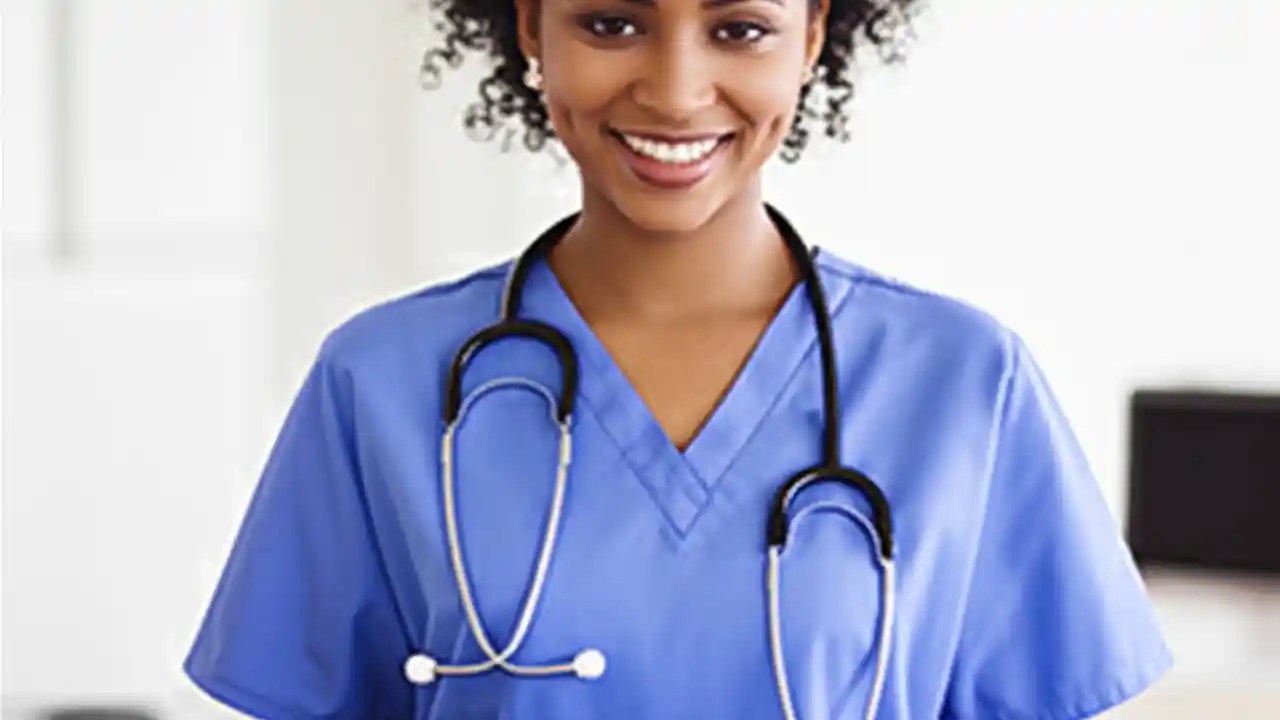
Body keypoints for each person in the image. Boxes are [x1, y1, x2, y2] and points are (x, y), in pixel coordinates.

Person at [183, 0, 1173, 716]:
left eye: (737, 28)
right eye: (611, 23)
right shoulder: (380, 382)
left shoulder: (963, 384)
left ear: (812, 35)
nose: (673, 89)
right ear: (530, 28)